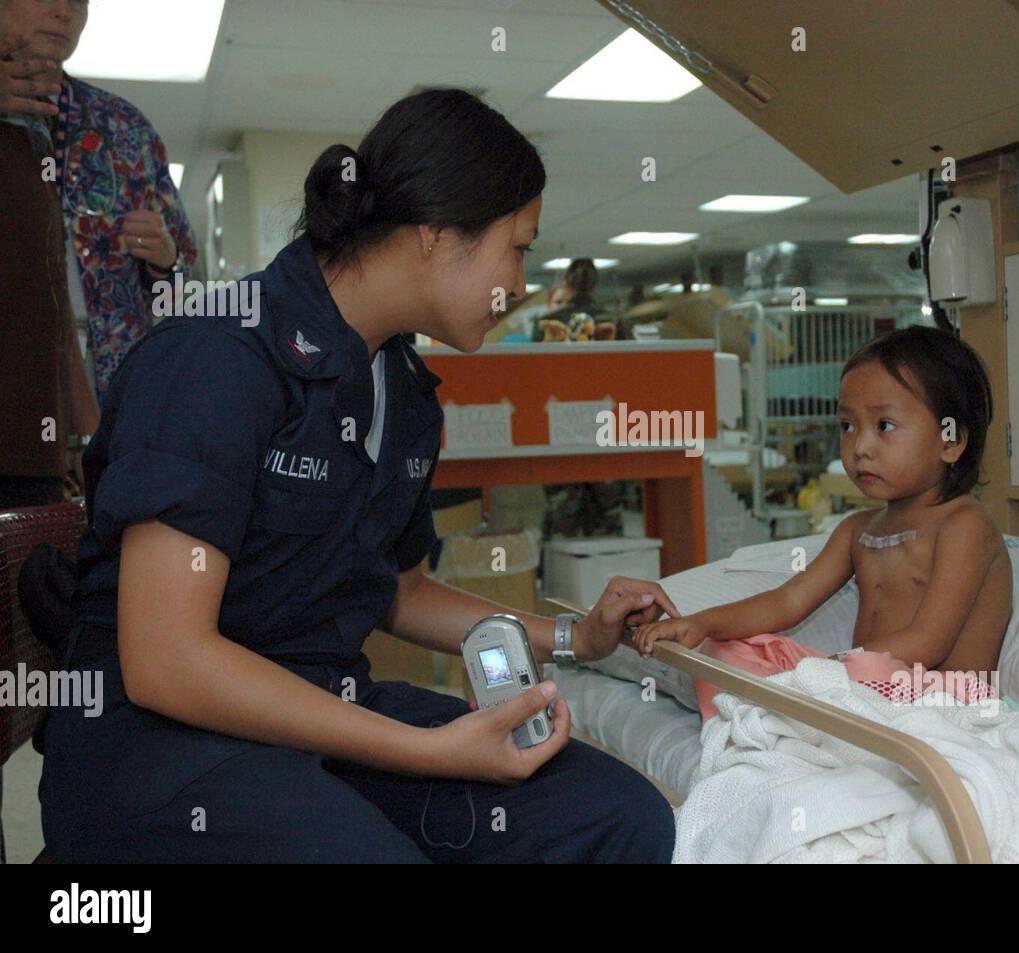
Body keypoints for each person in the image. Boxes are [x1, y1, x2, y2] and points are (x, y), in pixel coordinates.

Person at [38, 87, 680, 863]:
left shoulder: (402, 390)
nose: (520, 280)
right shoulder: (216, 357)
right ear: (437, 233)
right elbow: (166, 660)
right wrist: (429, 750)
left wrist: (577, 637)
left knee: (619, 815)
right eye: (518, 247)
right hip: (161, 746)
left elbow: (397, 589)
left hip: (316, 706)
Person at [632, 325, 1012, 720]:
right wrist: (702, 623)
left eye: (884, 426)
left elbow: (929, 642)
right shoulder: (858, 530)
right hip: (860, 687)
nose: (860, 448)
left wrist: (831, 669)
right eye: (847, 426)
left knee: (860, 669)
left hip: (943, 697)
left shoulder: (965, 524)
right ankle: (784, 716)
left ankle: (797, 712)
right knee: (725, 650)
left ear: (950, 440)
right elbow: (788, 601)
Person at [2, 0, 198, 405]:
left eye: (79, 2)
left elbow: (185, 292)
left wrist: (164, 262)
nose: (64, 12)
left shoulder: (123, 128)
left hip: (109, 395)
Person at [0, 20, 98, 507]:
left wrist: (86, 436)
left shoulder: (36, 132)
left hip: (32, 456)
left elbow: (48, 296)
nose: (63, 10)